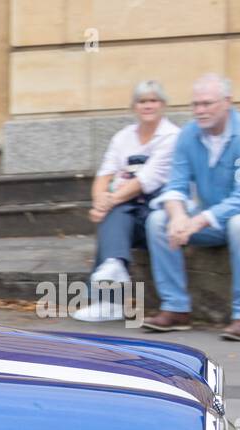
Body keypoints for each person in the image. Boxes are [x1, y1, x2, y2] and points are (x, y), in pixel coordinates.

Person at [142, 73, 240, 340]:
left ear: (227, 103)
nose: (200, 111)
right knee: (158, 220)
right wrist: (177, 217)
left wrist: (196, 221)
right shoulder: (188, 135)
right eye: (196, 104)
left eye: (207, 104)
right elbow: (175, 185)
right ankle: (176, 309)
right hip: (217, 219)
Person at [73, 81, 178, 322]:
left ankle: (107, 298)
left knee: (115, 210)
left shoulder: (172, 137)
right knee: (113, 213)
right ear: (134, 106)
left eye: (153, 100)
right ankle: (113, 271)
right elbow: (104, 174)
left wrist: (108, 202)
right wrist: (100, 200)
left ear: (163, 105)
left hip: (156, 211)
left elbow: (146, 179)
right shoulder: (123, 138)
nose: (148, 105)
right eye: (142, 101)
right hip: (125, 207)